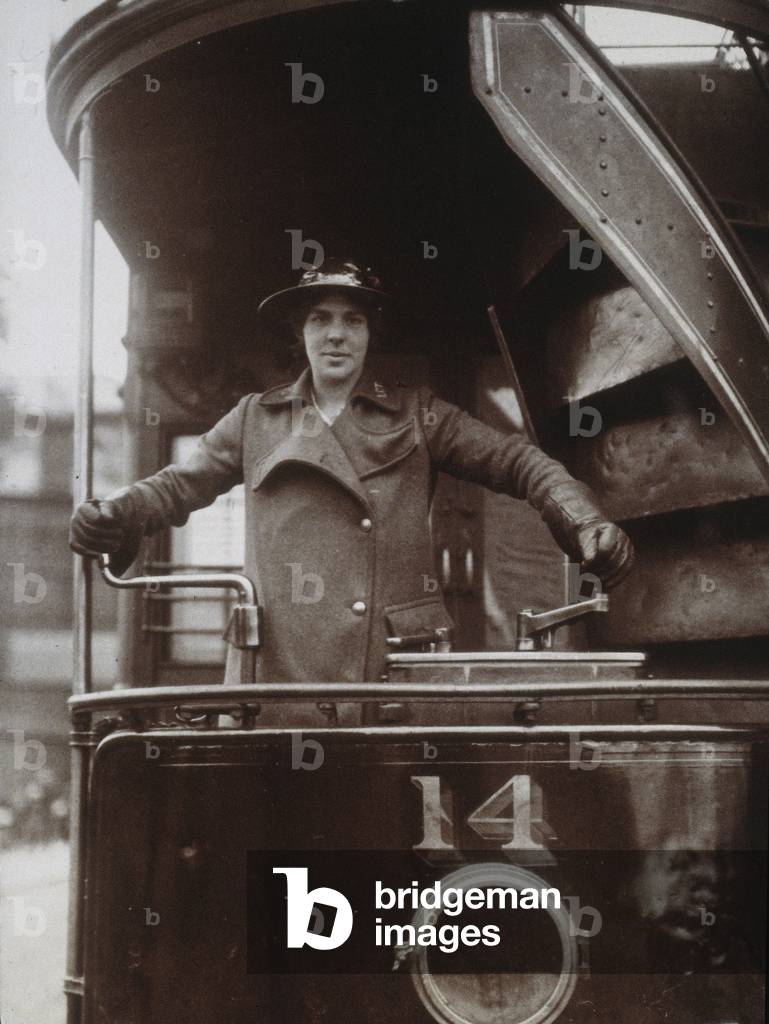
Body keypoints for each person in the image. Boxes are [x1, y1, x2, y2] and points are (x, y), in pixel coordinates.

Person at [70, 259, 633, 682]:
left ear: (370, 334)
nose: (336, 333)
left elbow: (519, 462)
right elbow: (175, 489)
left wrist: (582, 520)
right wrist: (115, 513)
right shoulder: (254, 421)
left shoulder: (420, 414)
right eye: (320, 318)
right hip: (280, 674)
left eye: (352, 320)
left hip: (394, 671)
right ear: (301, 333)